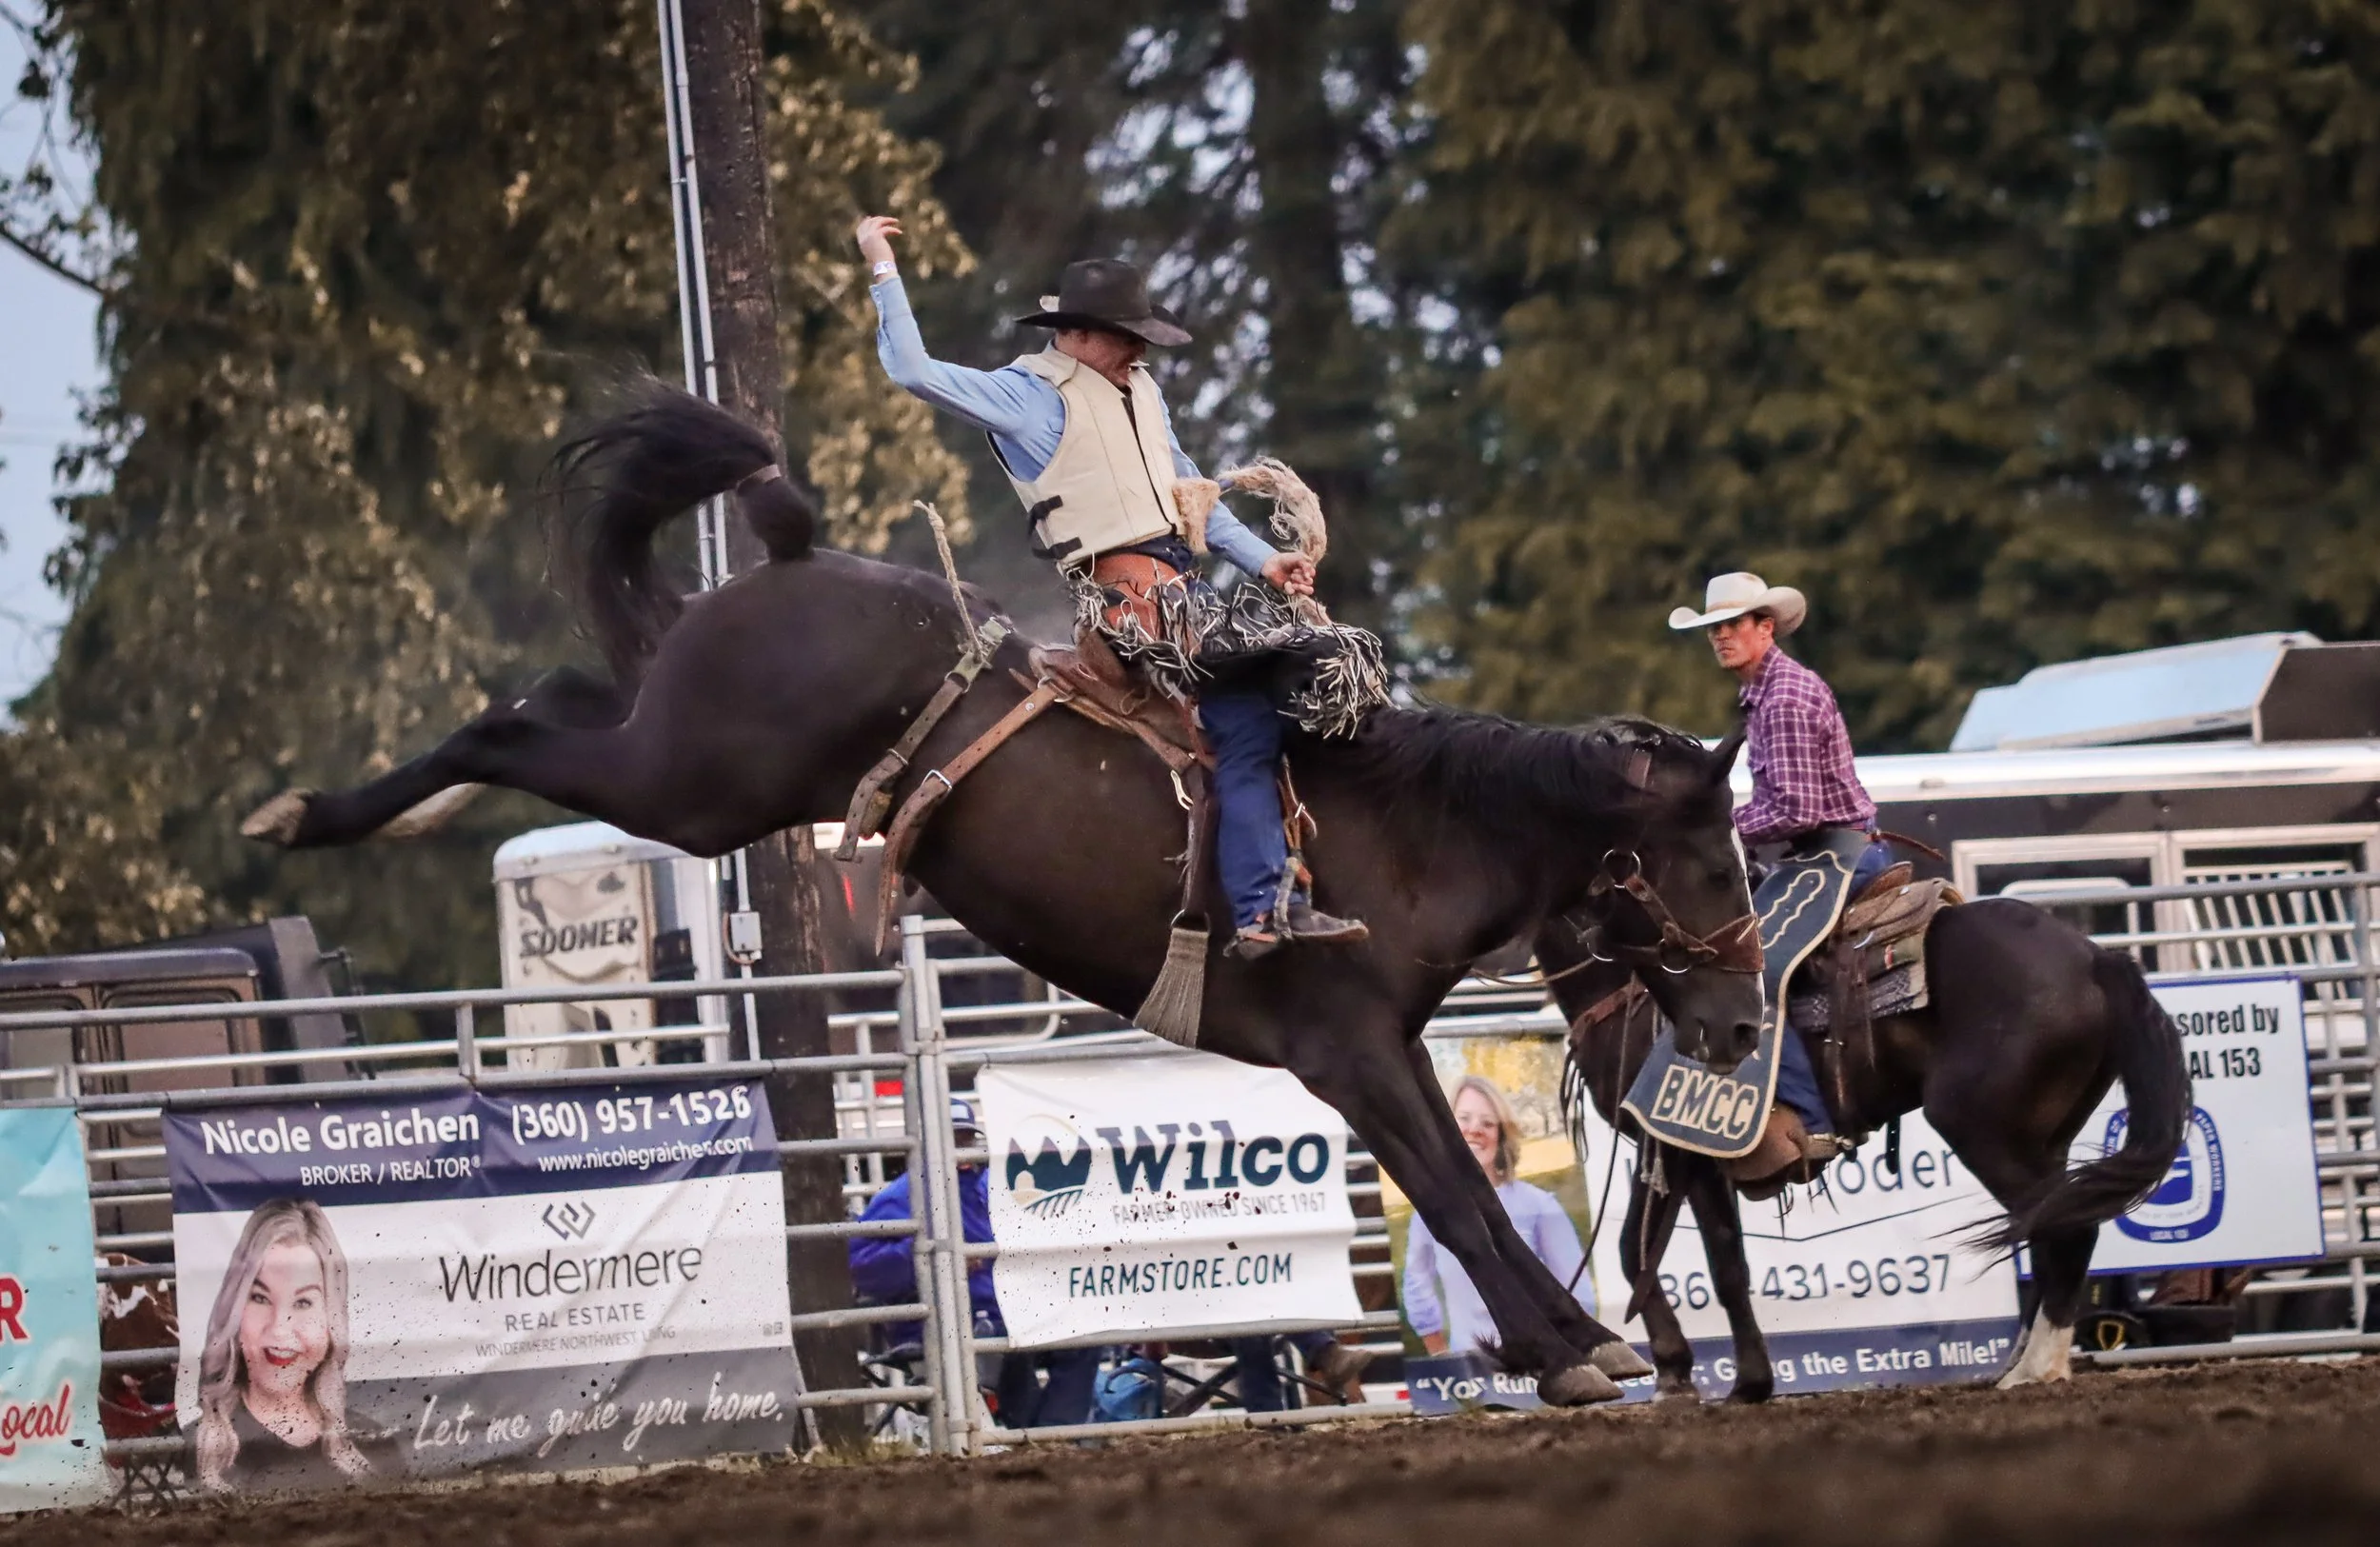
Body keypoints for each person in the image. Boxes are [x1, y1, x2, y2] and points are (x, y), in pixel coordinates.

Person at [854, 214, 1368, 958]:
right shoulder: (1028, 395)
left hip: (1186, 599)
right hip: (1130, 610)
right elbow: (913, 370)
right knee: (1247, 718)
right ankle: (1263, 906)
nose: (1139, 349)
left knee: (1311, 690)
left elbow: (1189, 492)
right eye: (1126, 336)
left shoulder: (1143, 392)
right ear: (1076, 334)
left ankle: (1275, 896)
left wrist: (1264, 560)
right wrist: (881, 264)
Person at [1670, 571, 1893, 1162]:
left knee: (1749, 969)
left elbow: (1798, 809)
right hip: (1826, 854)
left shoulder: (1784, 700)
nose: (1721, 637)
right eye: (1713, 628)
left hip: (1837, 856)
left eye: (1732, 625)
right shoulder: (1765, 694)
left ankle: (1810, 1121)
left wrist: (1718, 831)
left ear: (1765, 627)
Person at [847, 1097, 1101, 1430]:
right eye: (952, 1137)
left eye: (965, 1137)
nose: (960, 1146)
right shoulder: (904, 1195)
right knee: (1002, 1340)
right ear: (929, 1142)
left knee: (1084, 1334)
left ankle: (1051, 1433)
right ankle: (1047, 1436)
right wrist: (932, 1260)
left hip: (1008, 1308)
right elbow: (861, 1267)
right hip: (945, 1318)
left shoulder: (993, 1186)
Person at [1402, 1075, 1594, 1356]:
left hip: (1542, 1363)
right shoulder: (1429, 1211)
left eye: (1488, 1123)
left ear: (1502, 1135)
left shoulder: (1540, 1206)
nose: (1475, 1130)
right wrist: (1441, 1356)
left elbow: (1580, 1296)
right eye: (1464, 1119)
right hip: (1468, 1367)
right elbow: (1417, 1285)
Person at [192, 1198, 370, 1493]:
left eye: (303, 1303)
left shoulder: (372, 1444)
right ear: (234, 1308)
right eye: (260, 1298)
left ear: (331, 1318)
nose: (279, 1328)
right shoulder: (195, 1450)